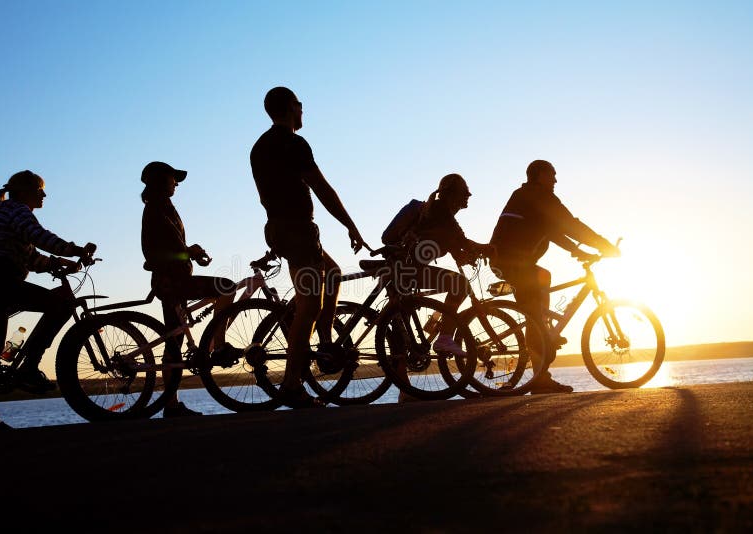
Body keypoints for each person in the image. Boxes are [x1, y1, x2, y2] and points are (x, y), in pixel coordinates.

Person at [250, 86, 368, 408]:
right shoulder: (293, 143)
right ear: (290, 107)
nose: (303, 111)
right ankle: (291, 384)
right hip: (298, 231)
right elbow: (322, 189)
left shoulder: (259, 147)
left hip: (277, 228)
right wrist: (350, 224)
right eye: (300, 106)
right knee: (309, 307)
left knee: (332, 274)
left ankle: (325, 340)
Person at [0, 170, 95, 431]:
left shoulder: (9, 213)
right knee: (60, 306)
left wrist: (60, 263)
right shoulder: (16, 210)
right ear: (26, 191)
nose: (45, 195)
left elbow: (31, 255)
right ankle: (29, 368)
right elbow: (38, 235)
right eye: (40, 190)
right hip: (0, 282)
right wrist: (72, 249)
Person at [489, 159, 620, 394]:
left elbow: (552, 230)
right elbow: (569, 224)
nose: (556, 180)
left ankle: (543, 329)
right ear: (540, 175)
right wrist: (604, 245)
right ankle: (540, 378)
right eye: (553, 175)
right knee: (534, 317)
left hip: (511, 260)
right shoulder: (538, 196)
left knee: (543, 280)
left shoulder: (527, 195)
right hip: (513, 262)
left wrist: (577, 251)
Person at [140, 161, 237, 418]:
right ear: (162, 182)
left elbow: (167, 247)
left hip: (170, 281)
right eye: (173, 179)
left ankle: (170, 405)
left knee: (174, 342)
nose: (177, 184)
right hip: (174, 282)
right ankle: (219, 345)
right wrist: (189, 251)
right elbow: (159, 250)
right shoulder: (158, 209)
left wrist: (190, 254)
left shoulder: (158, 207)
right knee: (226, 287)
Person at [388, 173, 494, 402]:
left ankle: (405, 391)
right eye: (465, 193)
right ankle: (445, 337)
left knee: (401, 325)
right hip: (405, 269)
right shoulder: (439, 212)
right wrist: (491, 249)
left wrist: (467, 255)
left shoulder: (439, 214)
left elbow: (457, 246)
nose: (468, 198)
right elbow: (462, 241)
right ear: (452, 195)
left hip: (402, 268)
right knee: (458, 284)